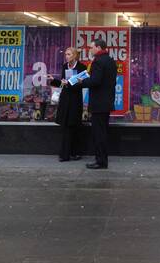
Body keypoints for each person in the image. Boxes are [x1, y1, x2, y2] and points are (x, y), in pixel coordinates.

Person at [79, 41, 117, 169]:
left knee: (98, 133)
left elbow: (95, 81)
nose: (90, 49)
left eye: (91, 47)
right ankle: (102, 160)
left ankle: (100, 161)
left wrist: (82, 81)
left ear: (98, 48)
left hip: (99, 103)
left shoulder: (98, 61)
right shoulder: (110, 60)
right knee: (102, 132)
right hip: (106, 102)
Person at [48, 47, 87, 162]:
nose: (66, 56)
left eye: (69, 54)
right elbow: (62, 83)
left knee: (73, 126)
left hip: (75, 100)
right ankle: (65, 154)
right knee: (66, 127)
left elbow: (82, 84)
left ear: (74, 55)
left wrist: (69, 84)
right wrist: (54, 80)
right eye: (66, 54)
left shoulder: (82, 68)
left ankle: (74, 152)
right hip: (65, 99)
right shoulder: (65, 66)